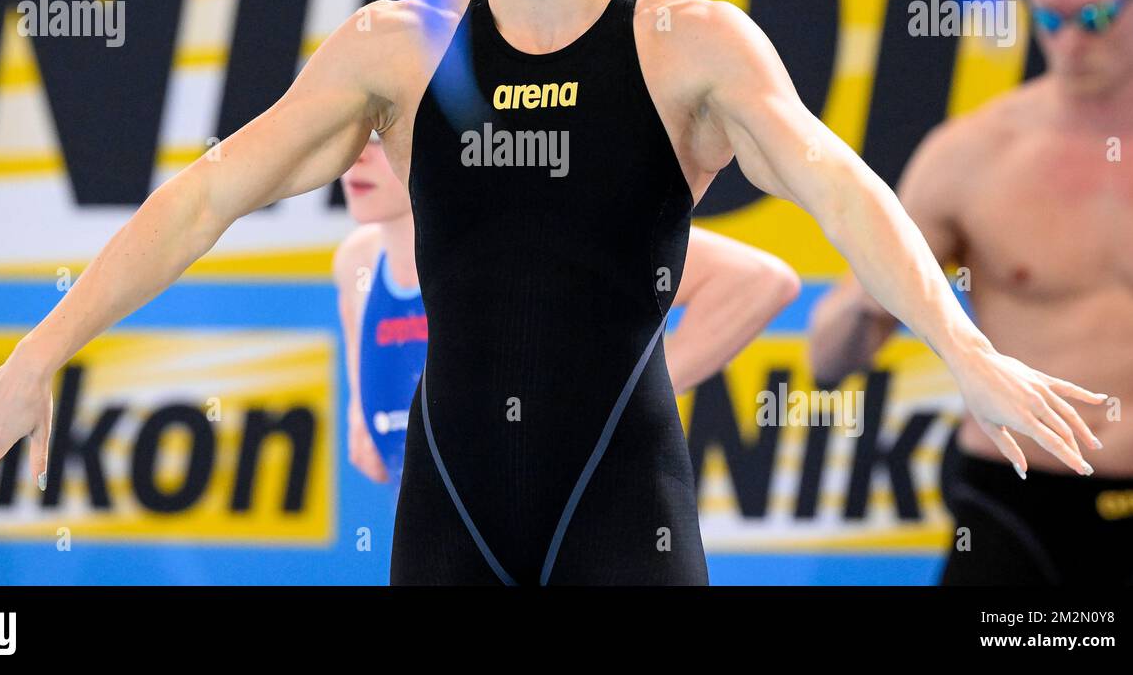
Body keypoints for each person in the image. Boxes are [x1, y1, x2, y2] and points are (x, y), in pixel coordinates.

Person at [0, 0, 1106, 586]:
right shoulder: (396, 49)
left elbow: (839, 185)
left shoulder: (687, 44)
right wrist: (41, 349)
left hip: (624, 515)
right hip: (448, 518)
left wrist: (964, 348)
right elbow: (202, 196)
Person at [808, 0, 1133, 584]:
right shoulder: (970, 156)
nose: (1069, 43)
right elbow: (831, 360)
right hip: (1016, 508)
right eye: (1050, 18)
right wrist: (862, 310)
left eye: (1093, 18)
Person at [336, 132, 801, 485]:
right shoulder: (357, 264)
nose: (356, 155)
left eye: (379, 136)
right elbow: (374, 448)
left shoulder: (529, 238)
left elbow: (759, 281)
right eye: (350, 132)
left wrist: (622, 398)